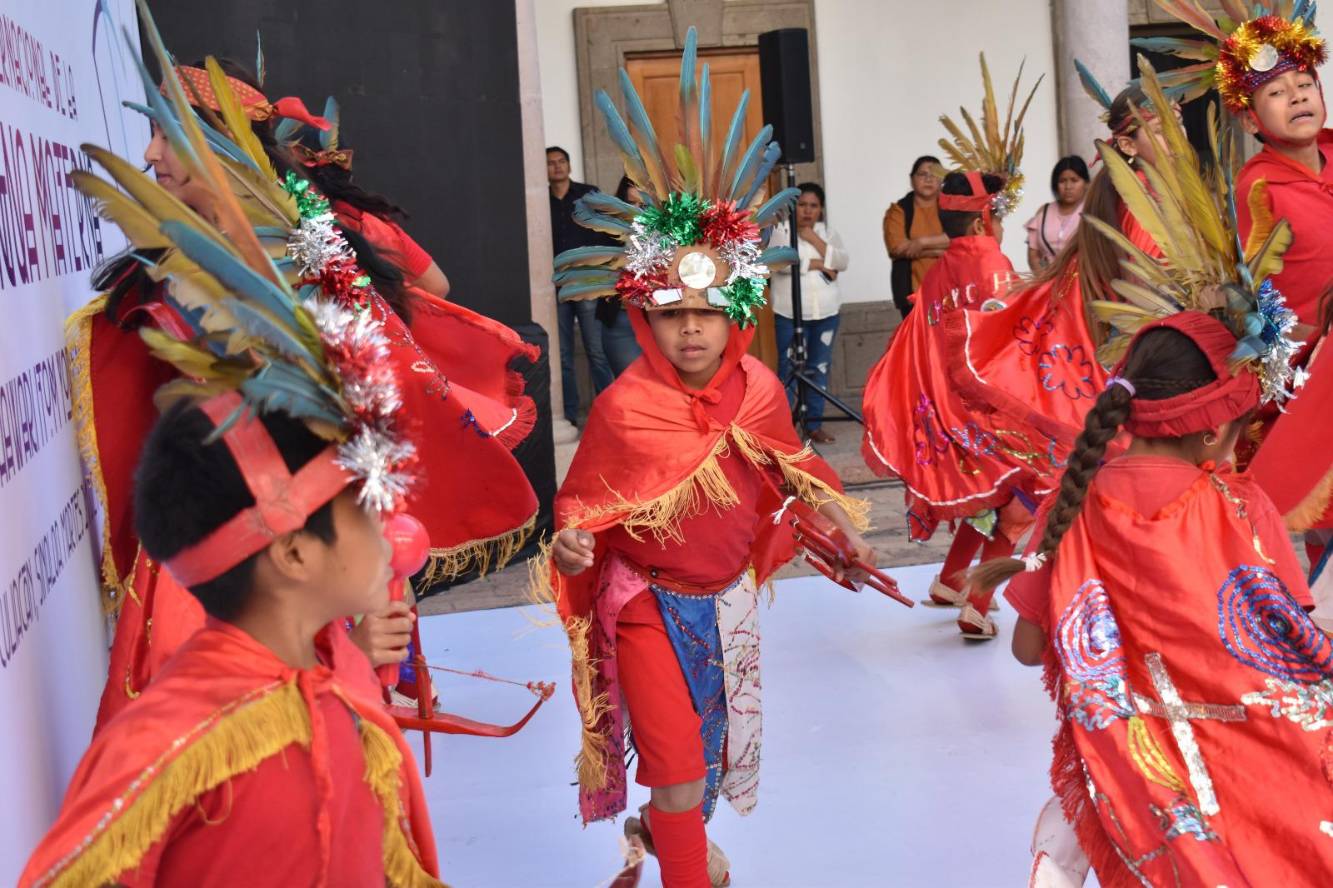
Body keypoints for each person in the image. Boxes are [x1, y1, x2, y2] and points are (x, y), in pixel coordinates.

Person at [70, 48, 538, 731]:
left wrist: (376, 586)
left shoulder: (300, 262)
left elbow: (369, 422)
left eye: (170, 134)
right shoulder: (195, 255)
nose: (147, 153)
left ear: (223, 143)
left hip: (298, 548)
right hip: (214, 546)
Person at [969, 67, 1322, 883]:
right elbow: (1293, 640)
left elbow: (1032, 645)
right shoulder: (1239, 502)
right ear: (1228, 428)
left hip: (1128, 774)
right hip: (1231, 770)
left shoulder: (1081, 498)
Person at [544, 29, 876, 886]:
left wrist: (845, 529)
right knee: (680, 770)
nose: (689, 329)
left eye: (705, 312)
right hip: (646, 603)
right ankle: (681, 859)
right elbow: (579, 508)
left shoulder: (759, 387)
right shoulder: (625, 407)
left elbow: (792, 468)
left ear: (735, 316)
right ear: (644, 322)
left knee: (704, 767)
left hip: (728, 607)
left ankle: (664, 835)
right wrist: (572, 542)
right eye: (669, 314)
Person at [862, 57, 1047, 638]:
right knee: (1028, 494)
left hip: (949, 406)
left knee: (991, 492)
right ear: (984, 217)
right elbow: (1005, 336)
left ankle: (948, 579)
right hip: (993, 405)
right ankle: (979, 604)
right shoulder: (992, 262)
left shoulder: (941, 269)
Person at [769, 182, 850, 443]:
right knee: (788, 369)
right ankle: (785, 428)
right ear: (794, 207)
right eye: (802, 204)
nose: (807, 211)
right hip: (789, 313)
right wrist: (816, 263)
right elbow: (779, 263)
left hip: (826, 313)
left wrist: (814, 240)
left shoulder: (827, 232)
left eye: (813, 206)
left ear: (821, 210)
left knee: (819, 368)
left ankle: (814, 424)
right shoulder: (781, 230)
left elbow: (841, 263)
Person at [548, 145, 615, 424]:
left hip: (587, 281)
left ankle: (609, 414)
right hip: (556, 286)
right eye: (551, 163)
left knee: (596, 350)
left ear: (570, 165)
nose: (557, 167)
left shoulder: (588, 194)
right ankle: (571, 416)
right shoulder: (539, 200)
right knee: (562, 355)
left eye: (562, 161)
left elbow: (605, 231)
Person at [883, 155, 949, 317]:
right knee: (918, 341)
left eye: (934, 175)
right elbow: (897, 247)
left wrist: (920, 242)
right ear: (912, 180)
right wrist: (939, 251)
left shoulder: (952, 208)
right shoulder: (899, 210)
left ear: (942, 181)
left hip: (949, 291)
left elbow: (960, 239)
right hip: (913, 294)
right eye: (922, 174)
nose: (928, 179)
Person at [596, 175, 646, 376]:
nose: (637, 211)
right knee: (629, 383)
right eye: (631, 204)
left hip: (660, 318)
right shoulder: (607, 229)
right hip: (621, 318)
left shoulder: (672, 230)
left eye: (643, 206)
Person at [1024, 155, 1089, 271]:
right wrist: (1045, 282)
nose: (1068, 187)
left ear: (1086, 183)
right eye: (1062, 181)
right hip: (1048, 282)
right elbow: (1033, 255)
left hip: (1081, 282)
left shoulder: (1091, 211)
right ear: (1055, 184)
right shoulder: (1044, 212)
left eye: (1074, 180)